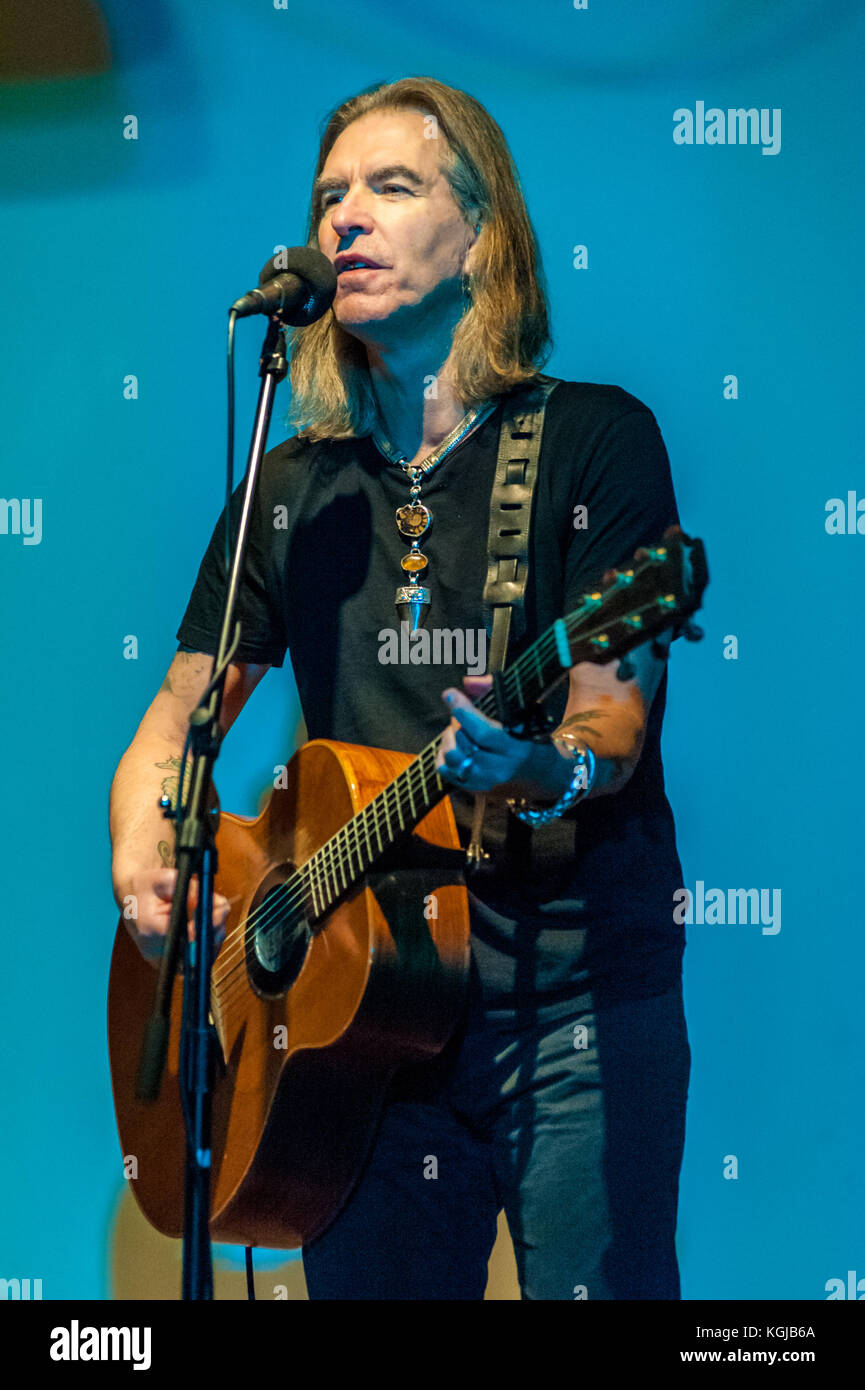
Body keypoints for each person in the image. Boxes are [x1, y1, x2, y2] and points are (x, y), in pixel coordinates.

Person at [109, 76, 691, 1301]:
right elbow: (179, 717)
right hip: (356, 1024)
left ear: (480, 233)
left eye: (392, 186)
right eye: (330, 195)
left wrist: (536, 768)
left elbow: (608, 723)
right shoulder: (291, 489)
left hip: (564, 1002)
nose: (345, 221)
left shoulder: (592, 441)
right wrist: (144, 844)